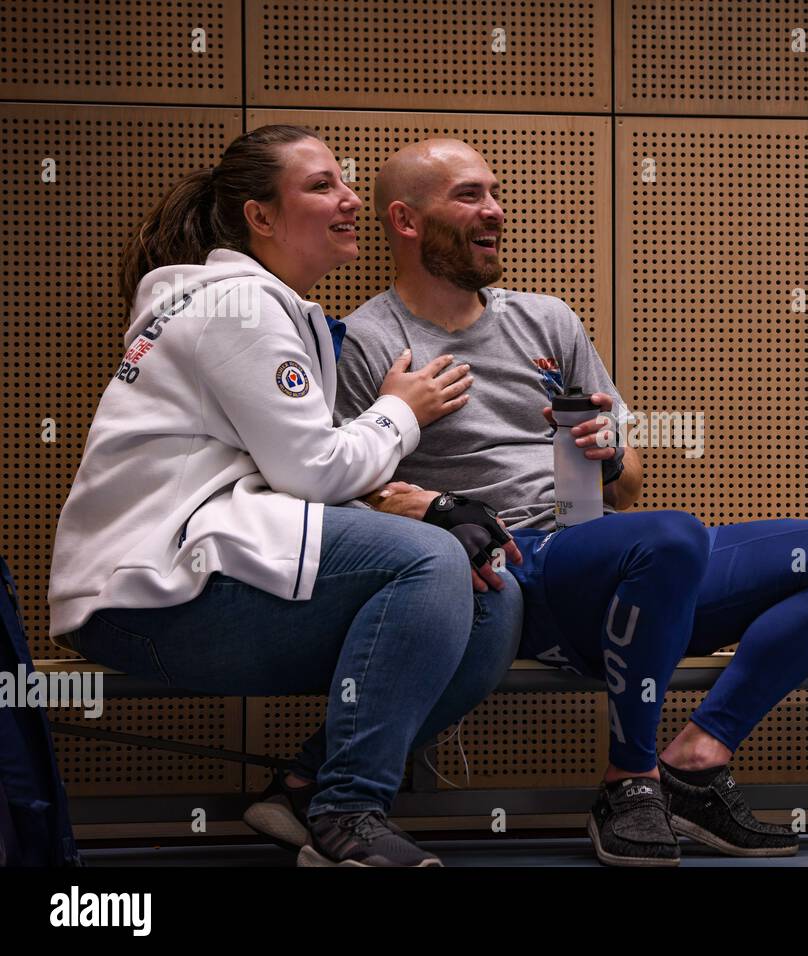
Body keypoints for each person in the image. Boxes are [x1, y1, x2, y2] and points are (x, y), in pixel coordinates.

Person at [334, 138, 808, 866]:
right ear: (405, 221)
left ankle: (695, 761)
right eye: (469, 196)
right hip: (508, 572)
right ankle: (628, 782)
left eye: (496, 193)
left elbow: (629, 484)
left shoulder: (547, 320)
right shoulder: (368, 340)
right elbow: (347, 490)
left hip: (600, 552)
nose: (495, 211)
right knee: (669, 538)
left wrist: (605, 454)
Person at [47, 125, 524, 868]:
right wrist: (402, 408)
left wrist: (430, 504)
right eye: (322, 185)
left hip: (195, 579)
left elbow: (297, 476)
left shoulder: (267, 306)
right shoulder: (237, 307)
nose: (350, 198)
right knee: (430, 564)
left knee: (494, 597)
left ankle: (304, 789)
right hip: (141, 604)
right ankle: (348, 817)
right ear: (260, 218)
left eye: (346, 182)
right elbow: (312, 472)